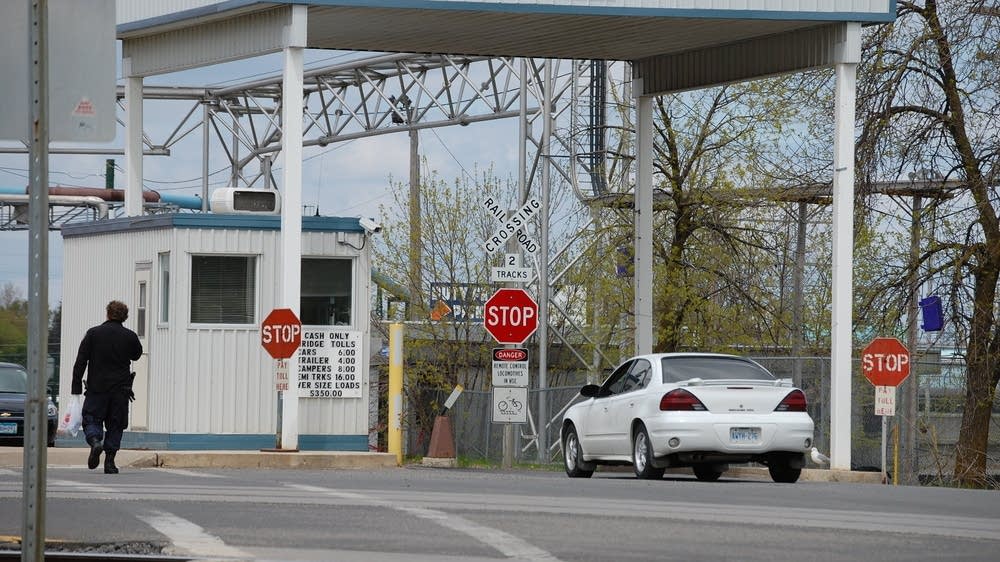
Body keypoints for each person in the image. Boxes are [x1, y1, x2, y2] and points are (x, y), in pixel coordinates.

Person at [71, 300, 143, 474]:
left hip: (97, 388)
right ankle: (110, 462)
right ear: (125, 317)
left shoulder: (93, 334)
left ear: (108, 314)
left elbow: (81, 361)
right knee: (116, 424)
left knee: (91, 419)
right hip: (120, 390)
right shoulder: (130, 336)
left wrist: (76, 388)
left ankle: (95, 442)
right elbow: (137, 355)